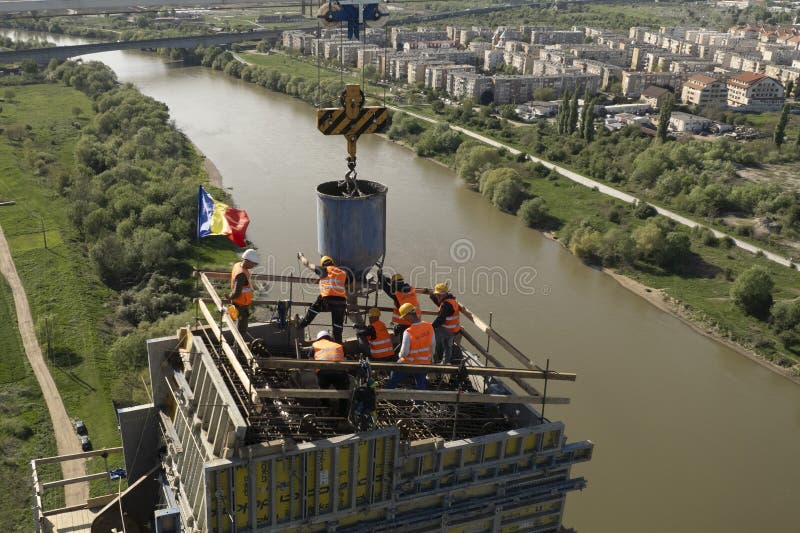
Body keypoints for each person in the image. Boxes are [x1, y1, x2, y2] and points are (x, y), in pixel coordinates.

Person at [297, 253, 349, 343]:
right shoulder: (343, 273)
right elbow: (347, 283)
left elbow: (307, 264)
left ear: (322, 264)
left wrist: (301, 256)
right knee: (338, 326)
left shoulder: (323, 270)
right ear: (333, 263)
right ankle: (338, 345)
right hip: (341, 302)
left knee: (314, 308)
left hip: (327, 300)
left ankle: (302, 324)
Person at [386, 303, 434, 390]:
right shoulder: (429, 326)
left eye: (404, 316)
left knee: (395, 372)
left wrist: (399, 355)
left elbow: (404, 353)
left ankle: (388, 391)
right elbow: (433, 346)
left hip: (409, 363)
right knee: (420, 382)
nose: (404, 319)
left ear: (409, 316)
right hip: (424, 362)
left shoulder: (408, 332)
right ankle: (420, 402)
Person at [311, 330, 350, 415]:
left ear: (318, 339)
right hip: (339, 371)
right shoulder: (339, 346)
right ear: (329, 338)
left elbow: (311, 360)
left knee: (323, 391)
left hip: (323, 372)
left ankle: (326, 409)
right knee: (344, 391)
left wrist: (316, 372)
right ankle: (342, 413)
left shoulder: (315, 345)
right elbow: (345, 359)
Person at [226, 248, 259, 336]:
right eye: (253, 264)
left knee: (237, 324)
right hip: (240, 305)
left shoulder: (237, 265)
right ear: (247, 261)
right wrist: (229, 296)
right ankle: (237, 347)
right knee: (241, 329)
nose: (254, 266)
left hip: (239, 303)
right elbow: (237, 293)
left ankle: (236, 346)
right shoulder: (241, 275)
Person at [429, 282, 461, 365]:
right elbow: (438, 302)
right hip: (453, 330)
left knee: (435, 344)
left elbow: (440, 319)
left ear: (444, 294)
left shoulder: (446, 304)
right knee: (448, 347)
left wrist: (431, 327)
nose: (437, 297)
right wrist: (430, 294)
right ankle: (445, 363)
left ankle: (435, 362)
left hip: (445, 330)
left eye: (439, 295)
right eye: (436, 295)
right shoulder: (452, 301)